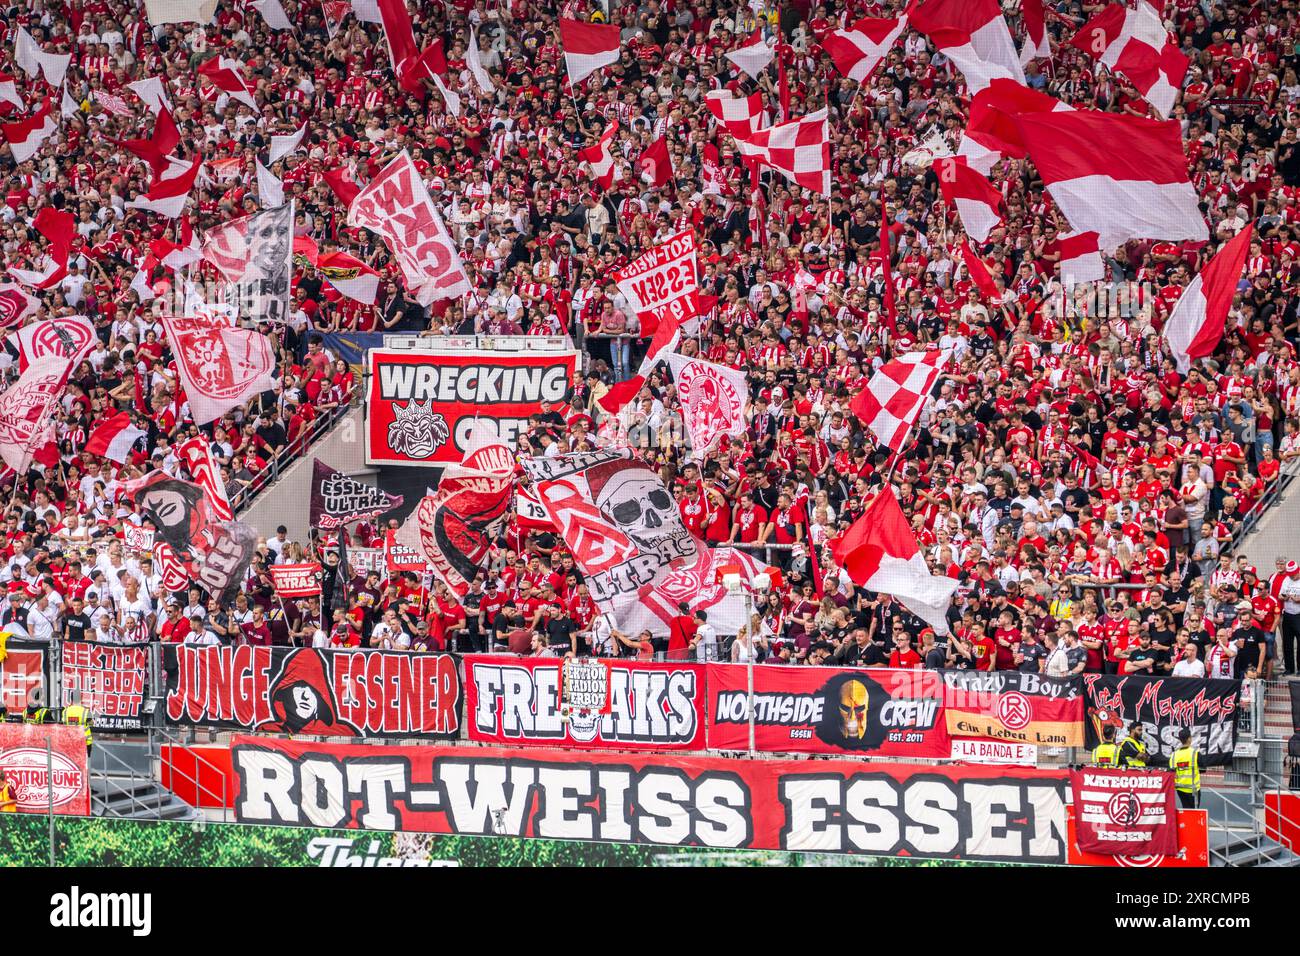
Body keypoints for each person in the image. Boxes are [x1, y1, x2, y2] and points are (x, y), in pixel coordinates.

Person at [1170, 728, 1201, 809]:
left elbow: (1171, 771)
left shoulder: (1174, 755)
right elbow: (1203, 769)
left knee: (1186, 810)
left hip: (1180, 789)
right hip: (1193, 789)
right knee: (1194, 812)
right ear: (1189, 739)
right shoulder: (1195, 753)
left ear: (1180, 740)